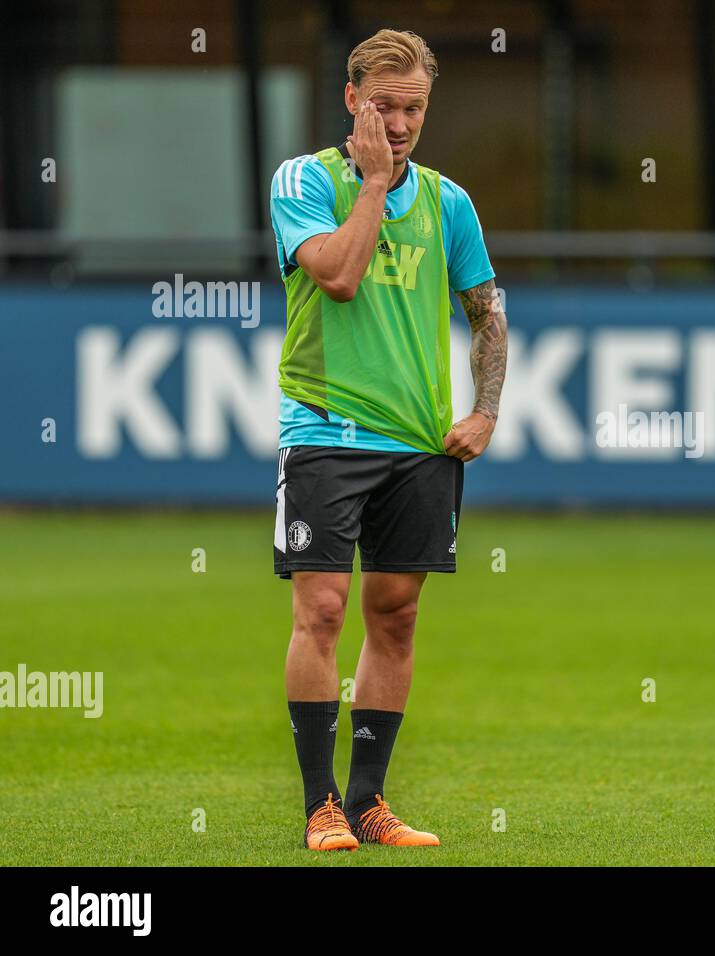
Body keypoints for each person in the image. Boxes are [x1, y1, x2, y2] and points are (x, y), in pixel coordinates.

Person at [268, 28, 507, 851]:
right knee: (323, 608)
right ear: (351, 101)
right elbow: (335, 276)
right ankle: (318, 805)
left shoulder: (450, 202)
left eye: (413, 108)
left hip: (419, 444)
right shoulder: (304, 179)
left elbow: (487, 313)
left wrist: (485, 411)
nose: (400, 123)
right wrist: (373, 184)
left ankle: (370, 802)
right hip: (325, 431)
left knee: (396, 616)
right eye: (384, 105)